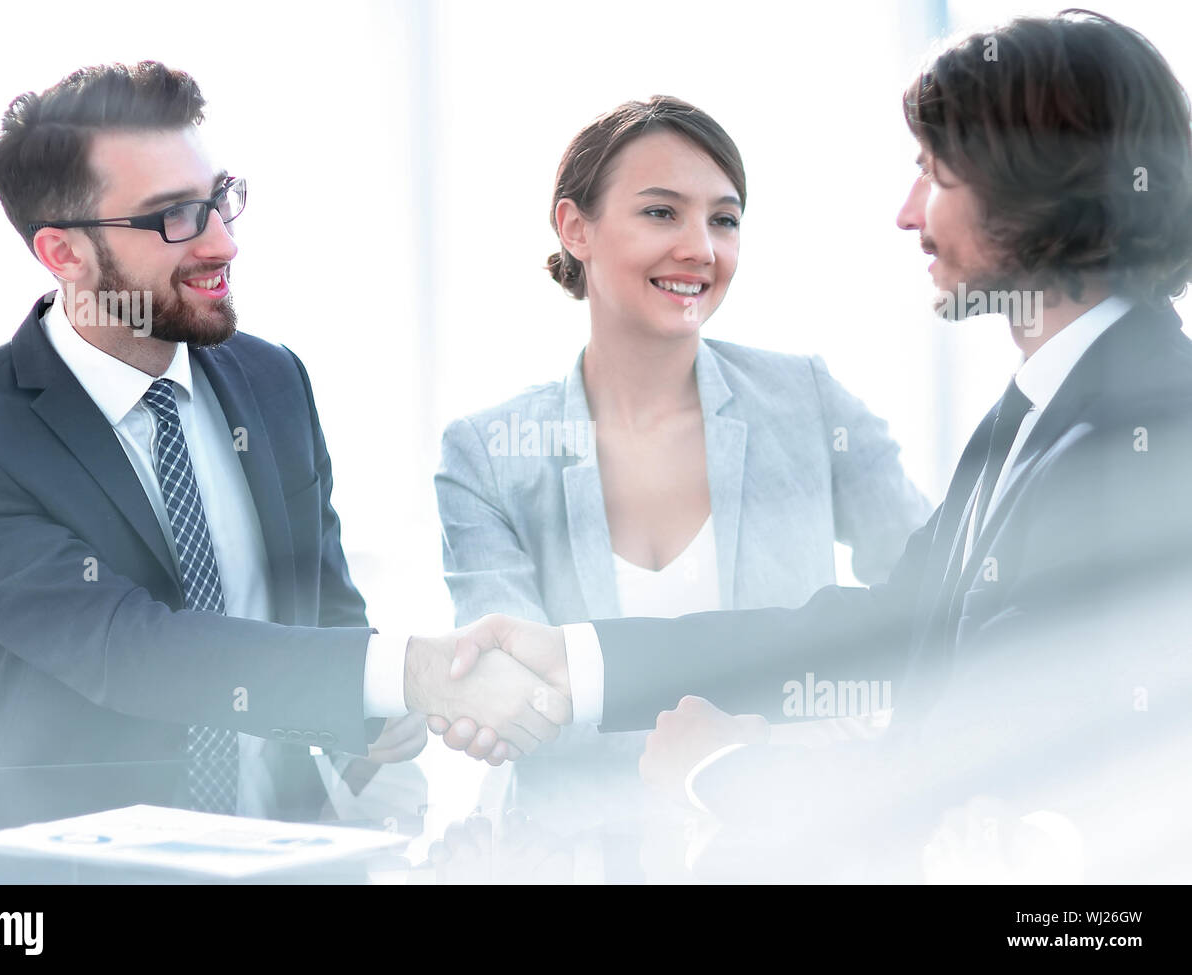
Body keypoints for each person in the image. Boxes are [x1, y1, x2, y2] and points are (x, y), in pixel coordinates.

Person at [430, 11, 1192, 876]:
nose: (908, 214)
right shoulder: (1029, 410)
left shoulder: (1150, 431)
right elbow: (885, 624)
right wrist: (582, 658)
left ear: (1040, 187)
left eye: (934, 175)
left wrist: (720, 772)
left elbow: (985, 755)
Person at [0, 61, 566, 836]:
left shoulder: (270, 378)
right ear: (64, 253)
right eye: (173, 216)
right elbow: (132, 649)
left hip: (286, 857)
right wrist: (405, 673)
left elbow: (323, 607)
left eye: (219, 200)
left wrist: (377, 717)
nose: (223, 243)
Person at [434, 97, 930, 773]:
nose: (700, 248)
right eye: (661, 211)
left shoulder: (806, 404)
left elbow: (936, 596)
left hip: (788, 845)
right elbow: (519, 692)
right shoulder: (488, 455)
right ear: (575, 227)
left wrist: (853, 718)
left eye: (723, 220)